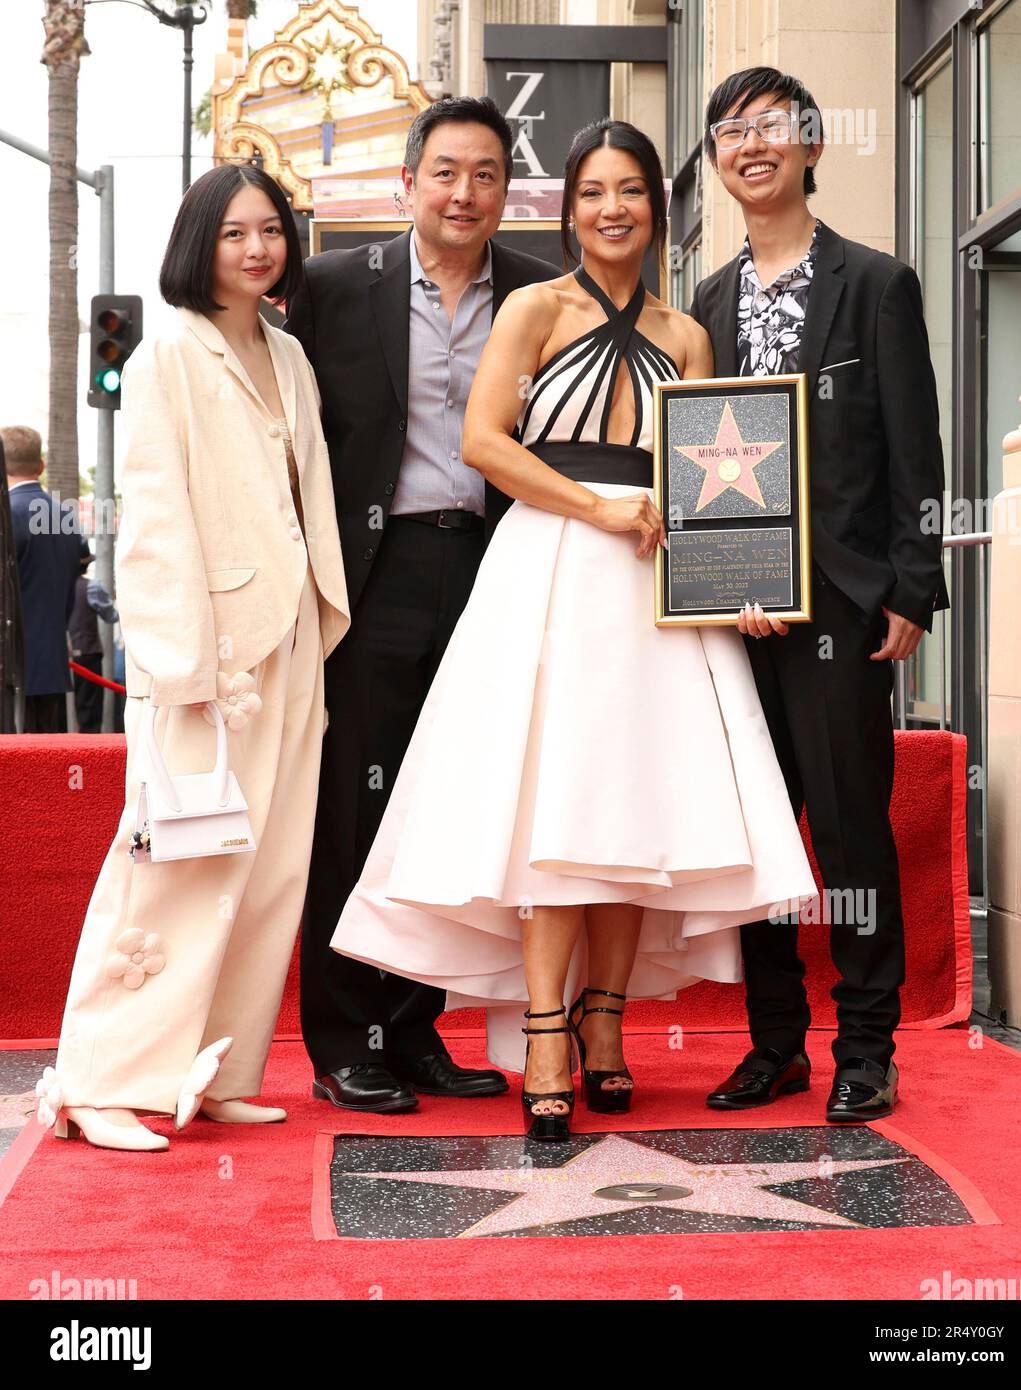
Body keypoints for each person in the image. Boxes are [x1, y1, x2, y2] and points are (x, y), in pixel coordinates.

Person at [330, 118, 817, 1142]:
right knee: (555, 806)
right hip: (549, 571)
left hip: (657, 594)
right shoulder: (529, 308)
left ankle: (605, 1025)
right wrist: (594, 508)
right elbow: (483, 443)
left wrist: (742, 575)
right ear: (568, 208)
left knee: (633, 809)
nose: (612, 209)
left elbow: (716, 481)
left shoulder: (688, 335)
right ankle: (543, 1031)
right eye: (593, 191)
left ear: (658, 207)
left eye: (631, 191)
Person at [36, 164, 351, 1152]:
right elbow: (155, 512)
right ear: (198, 245)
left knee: (265, 870)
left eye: (270, 231)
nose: (257, 249)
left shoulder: (287, 354)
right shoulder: (168, 351)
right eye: (233, 234)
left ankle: (213, 1069)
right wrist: (178, 664)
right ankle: (99, 1078)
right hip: (207, 654)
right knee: (169, 860)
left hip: (293, 636)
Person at [283, 96, 560, 1114]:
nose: (464, 192)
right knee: (356, 807)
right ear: (407, 184)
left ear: (506, 192)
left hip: (490, 571)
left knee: (452, 810)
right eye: (445, 171)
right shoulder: (329, 288)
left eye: (486, 174)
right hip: (371, 576)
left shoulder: (538, 295)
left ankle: (417, 1030)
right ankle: (345, 1037)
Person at [692, 67, 948, 1123]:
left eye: (769, 129)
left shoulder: (875, 283)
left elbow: (913, 449)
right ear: (713, 163)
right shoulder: (704, 300)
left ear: (808, 147)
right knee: (755, 828)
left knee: (846, 831)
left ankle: (865, 1046)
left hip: (840, 606)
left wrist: (913, 588)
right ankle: (774, 1043)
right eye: (729, 134)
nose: (749, 146)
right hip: (729, 609)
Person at [3, 425, 81, 733]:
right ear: (41, 466)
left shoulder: (6, 514)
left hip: (10, 673)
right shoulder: (65, 518)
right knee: (48, 770)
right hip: (52, 666)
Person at [69, 540, 119, 734]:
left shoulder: (57, 586)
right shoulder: (92, 588)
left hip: (61, 656)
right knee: (89, 710)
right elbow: (111, 616)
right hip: (87, 653)